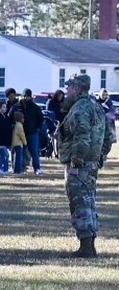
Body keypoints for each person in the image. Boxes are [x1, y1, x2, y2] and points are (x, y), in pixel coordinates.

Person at [58, 73, 113, 258]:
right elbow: (109, 137)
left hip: (80, 165)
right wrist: (100, 157)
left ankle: (86, 246)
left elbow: (82, 135)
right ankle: (89, 244)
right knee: (89, 201)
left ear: (77, 88)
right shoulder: (97, 108)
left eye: (69, 88)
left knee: (80, 202)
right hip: (92, 164)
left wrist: (77, 160)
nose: (66, 92)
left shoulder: (80, 109)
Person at [10, 88, 44, 175]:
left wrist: (38, 128)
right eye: (24, 96)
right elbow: (10, 117)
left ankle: (37, 169)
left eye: (28, 96)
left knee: (34, 152)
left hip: (32, 133)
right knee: (19, 152)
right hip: (19, 133)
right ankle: (19, 169)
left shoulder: (35, 107)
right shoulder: (16, 106)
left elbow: (41, 118)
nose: (26, 98)